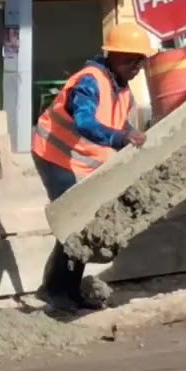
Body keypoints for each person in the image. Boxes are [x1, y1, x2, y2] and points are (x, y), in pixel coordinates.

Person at [30, 21, 155, 312]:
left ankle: (64, 289)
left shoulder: (123, 91)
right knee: (76, 222)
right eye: (130, 59)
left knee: (84, 222)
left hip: (82, 162)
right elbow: (85, 121)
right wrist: (120, 137)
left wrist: (128, 135)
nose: (136, 67)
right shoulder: (90, 81)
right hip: (55, 156)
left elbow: (117, 121)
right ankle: (57, 291)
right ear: (114, 56)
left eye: (140, 61)